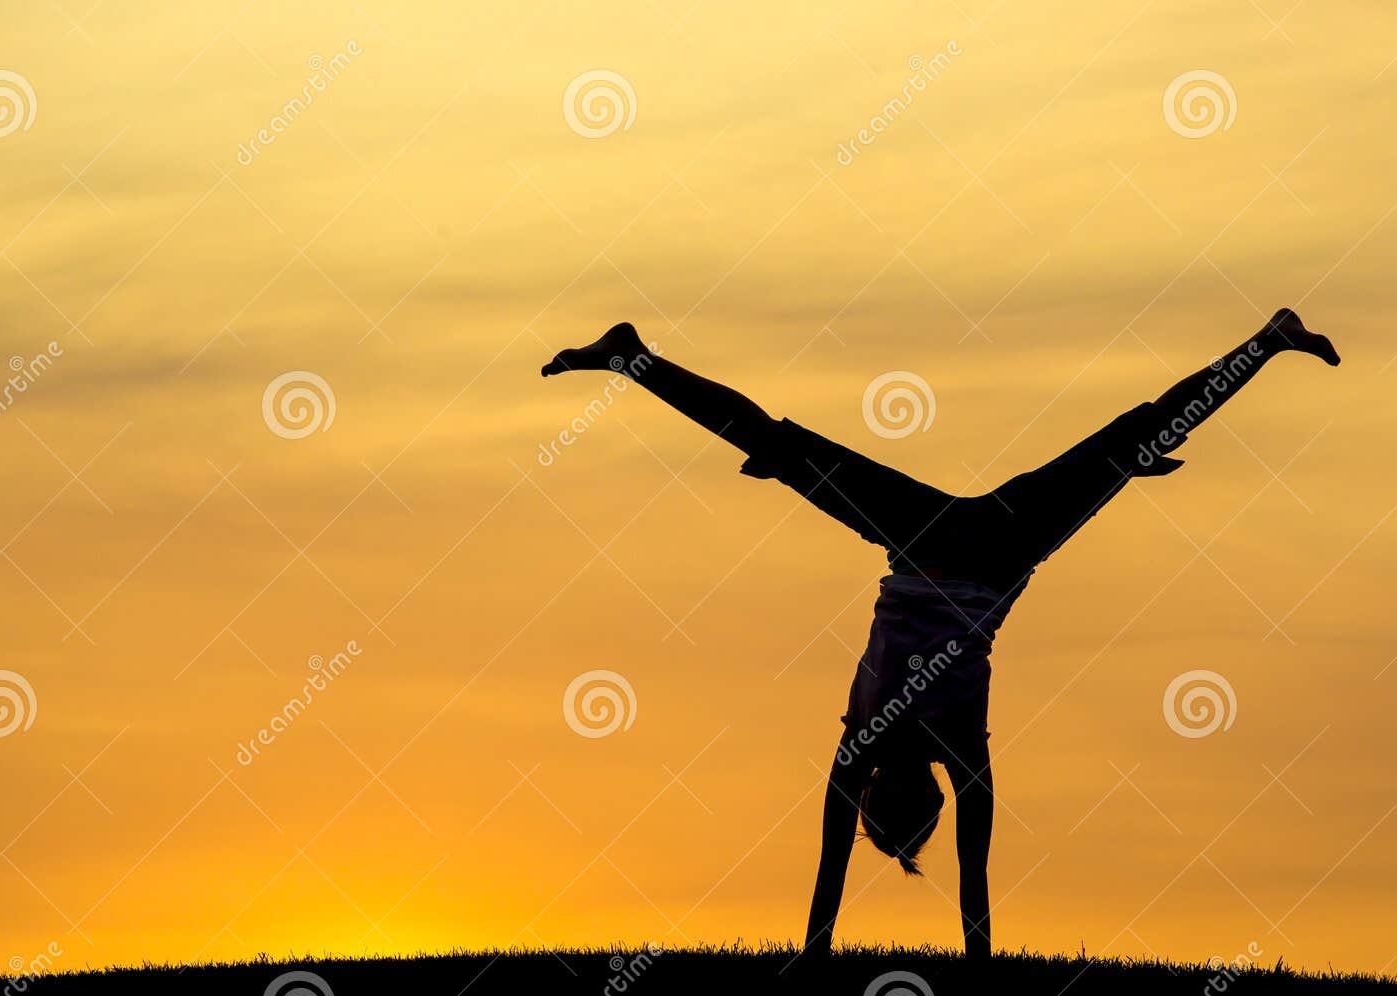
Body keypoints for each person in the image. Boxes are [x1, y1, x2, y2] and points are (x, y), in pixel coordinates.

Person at [541, 309, 1340, 958]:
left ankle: (631, 358)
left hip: (922, 538)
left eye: (888, 810)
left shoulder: (861, 746)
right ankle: (1268, 340)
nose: (905, 797)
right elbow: (975, 872)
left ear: (872, 799)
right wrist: (978, 960)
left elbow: (830, 867)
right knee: (1135, 437)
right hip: (999, 549)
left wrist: (817, 952)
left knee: (775, 444)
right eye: (914, 811)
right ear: (924, 803)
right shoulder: (959, 750)